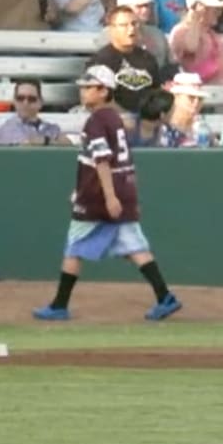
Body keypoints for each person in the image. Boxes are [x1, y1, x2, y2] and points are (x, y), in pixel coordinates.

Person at [32, 65, 182, 322]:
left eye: (89, 87)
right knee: (135, 247)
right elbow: (116, 161)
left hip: (99, 197)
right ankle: (164, 296)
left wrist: (109, 196)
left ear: (104, 91)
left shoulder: (98, 120)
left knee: (74, 247)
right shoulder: (116, 119)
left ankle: (59, 305)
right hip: (120, 191)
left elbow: (103, 160)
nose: (83, 92)